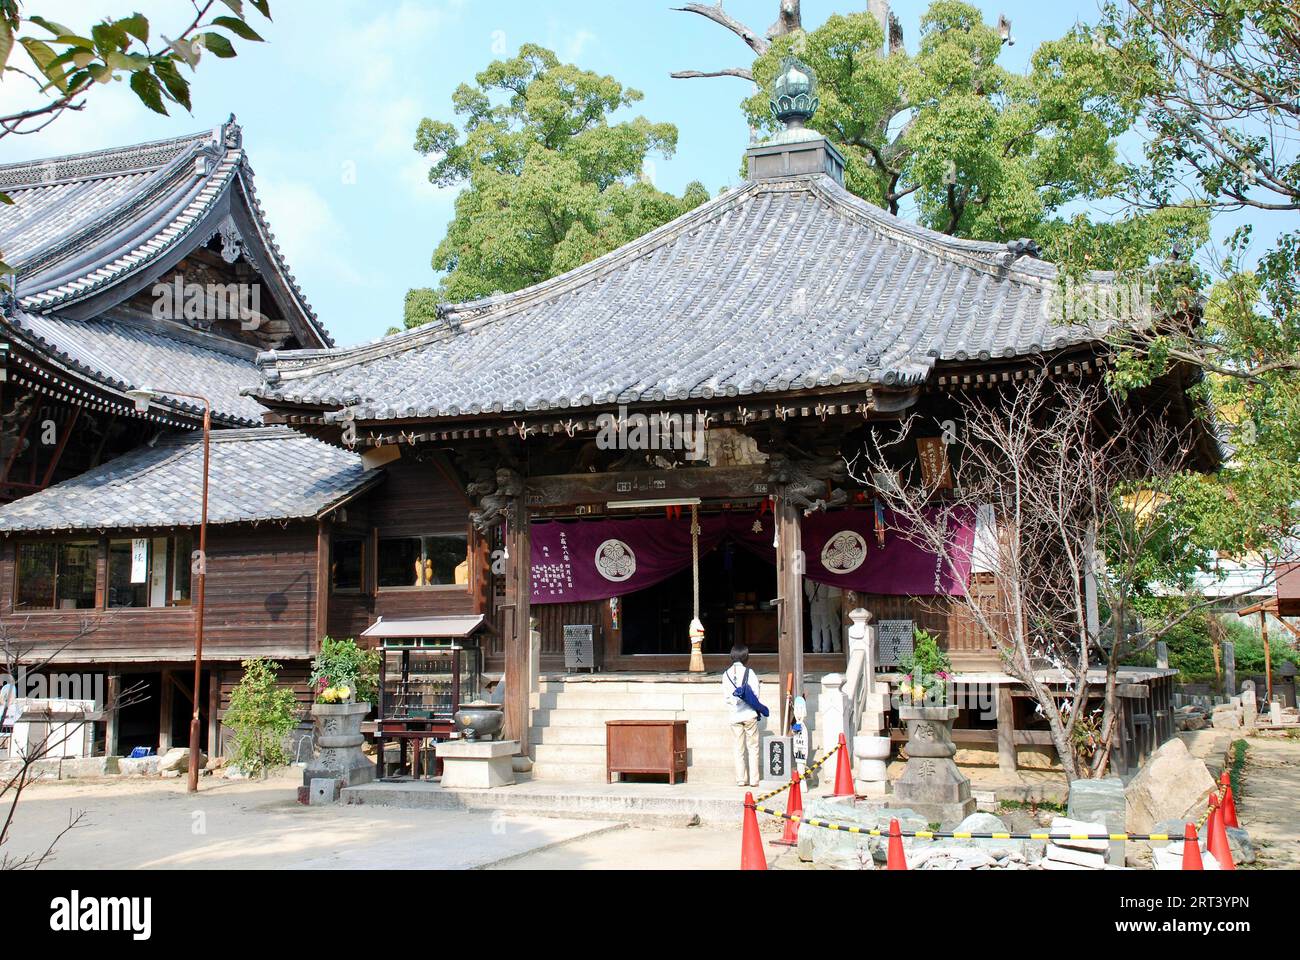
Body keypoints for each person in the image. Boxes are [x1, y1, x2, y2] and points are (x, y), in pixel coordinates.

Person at [722, 644, 762, 787]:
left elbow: (726, 697)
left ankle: (740, 779)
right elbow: (756, 694)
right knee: (753, 748)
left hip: (734, 715)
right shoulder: (750, 673)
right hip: (749, 714)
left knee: (738, 748)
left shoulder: (725, 674)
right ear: (746, 657)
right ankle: (754, 779)